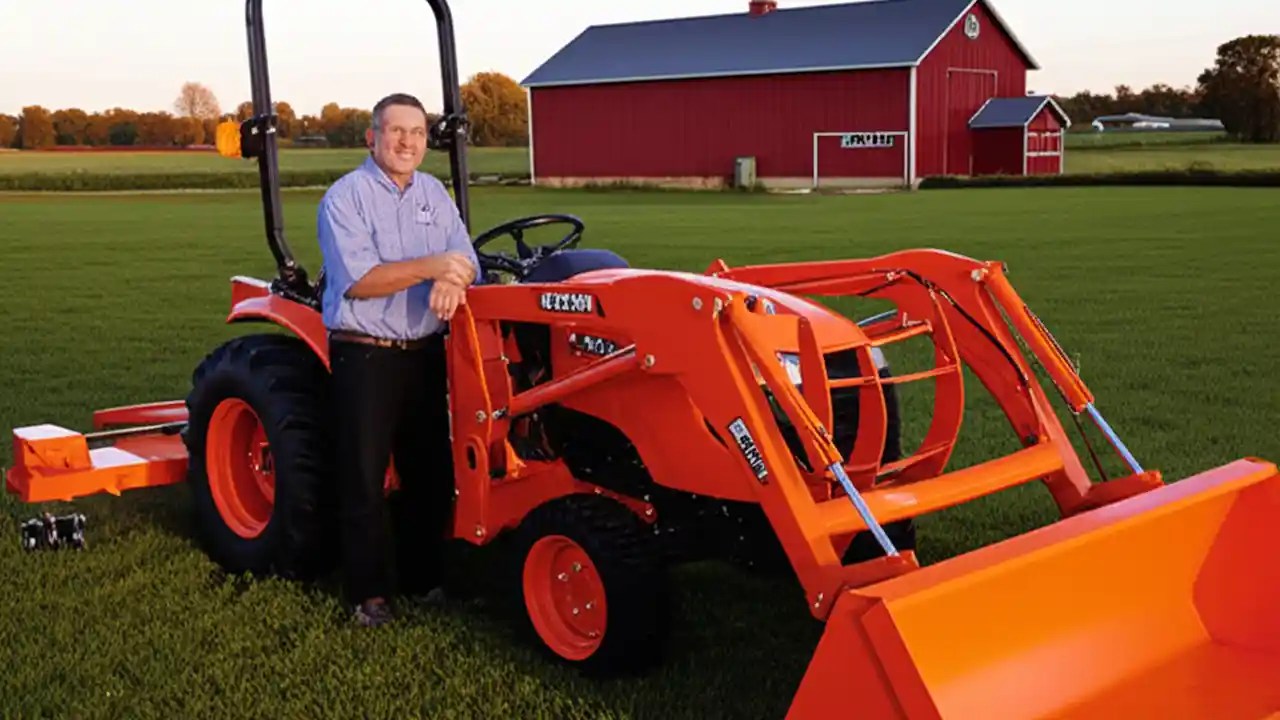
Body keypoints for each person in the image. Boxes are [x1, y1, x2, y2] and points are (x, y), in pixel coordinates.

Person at [316, 92, 479, 628]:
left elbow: (468, 258)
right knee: (364, 476)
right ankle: (369, 595)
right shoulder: (346, 199)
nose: (407, 141)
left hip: (424, 350)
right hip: (369, 353)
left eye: (417, 132)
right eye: (396, 131)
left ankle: (424, 578)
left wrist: (455, 277)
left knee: (430, 471)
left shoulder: (434, 192)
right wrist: (436, 266)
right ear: (372, 137)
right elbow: (361, 281)